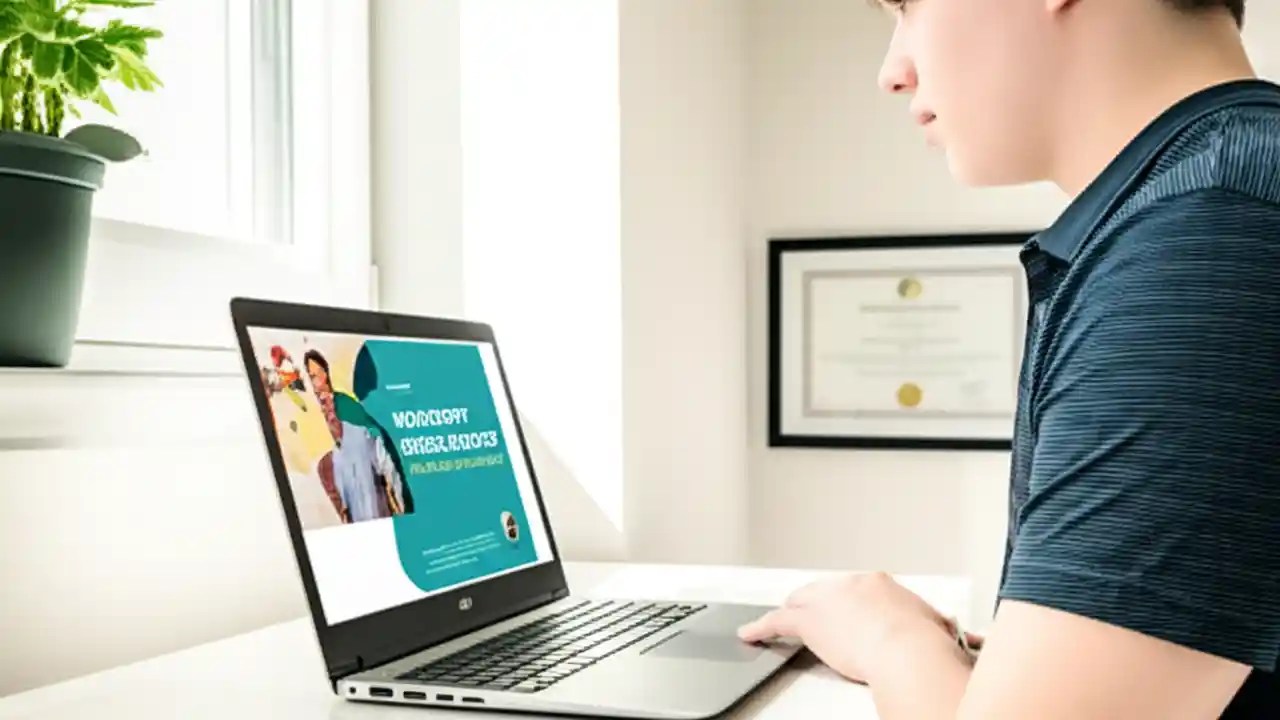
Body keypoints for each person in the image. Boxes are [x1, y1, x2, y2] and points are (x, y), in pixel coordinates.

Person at [739, 1, 1279, 718]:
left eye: (907, 7)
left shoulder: (1207, 241)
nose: (892, 72)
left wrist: (889, 638)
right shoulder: (1216, 200)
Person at [305, 349, 408, 524]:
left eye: (318, 373)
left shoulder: (343, 403)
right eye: (312, 376)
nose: (316, 380)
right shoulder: (315, 413)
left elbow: (373, 433)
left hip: (365, 471)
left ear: (326, 372)